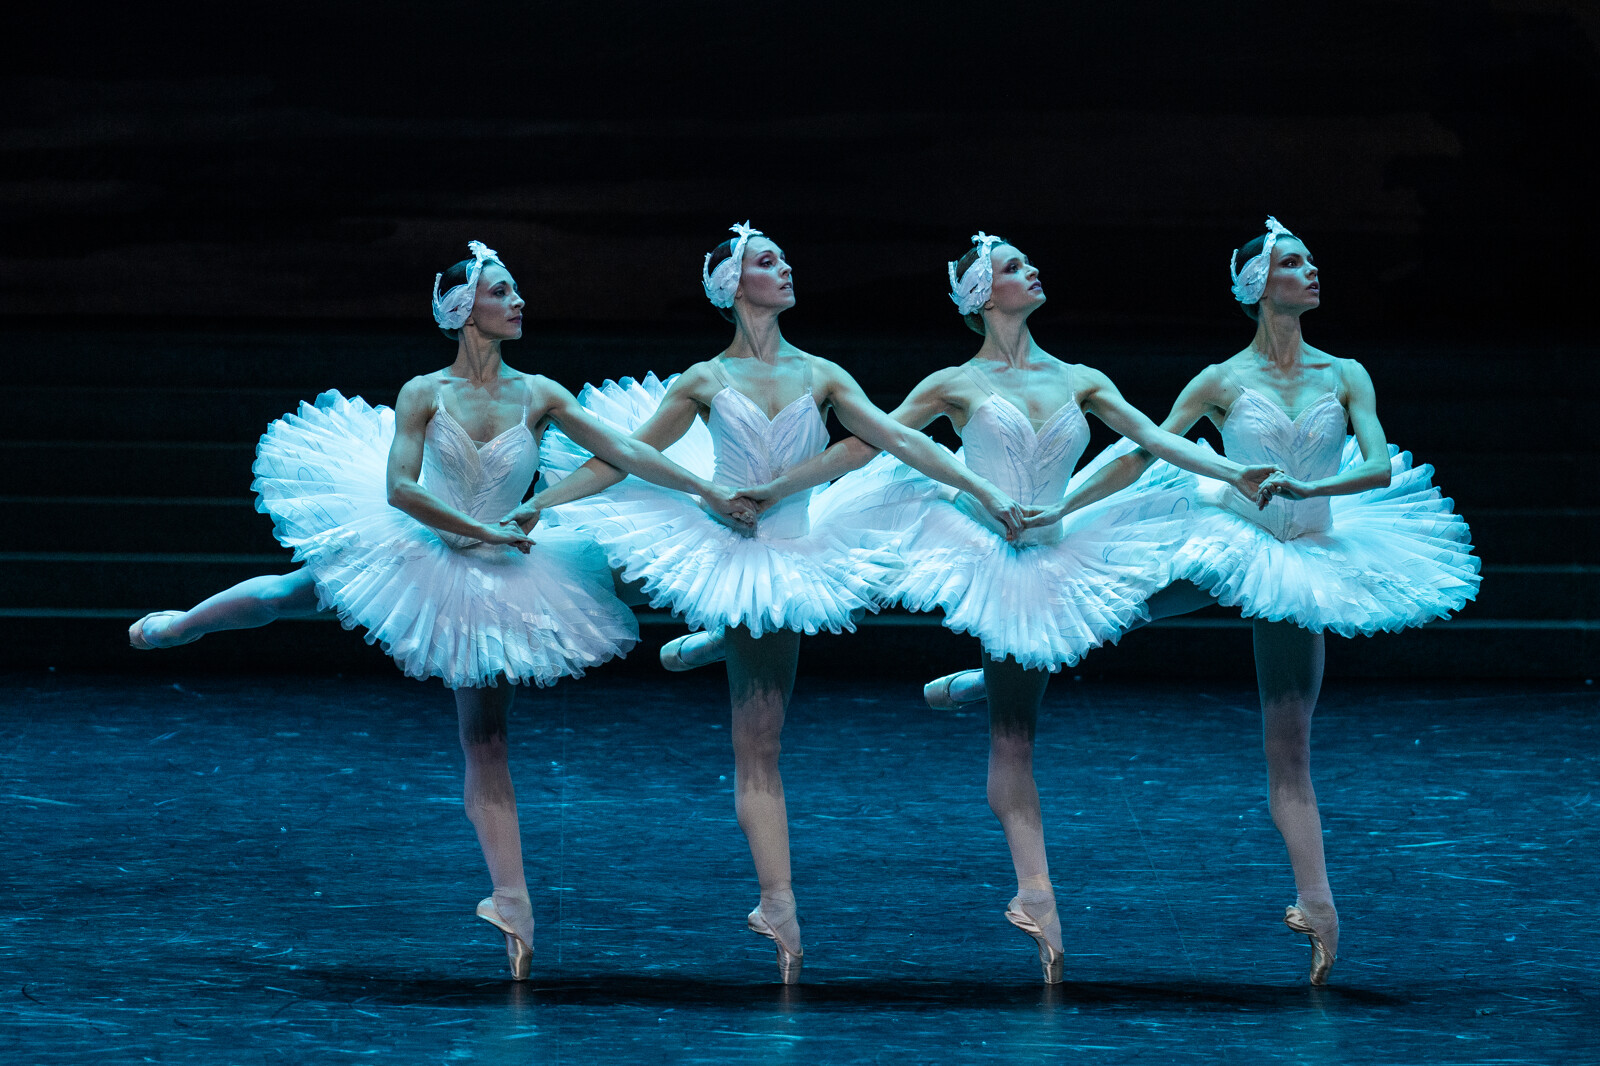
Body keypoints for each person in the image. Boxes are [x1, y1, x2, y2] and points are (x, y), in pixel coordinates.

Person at [131, 241, 749, 980]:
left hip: (505, 561)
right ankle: (181, 624)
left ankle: (511, 900)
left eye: (518, 290)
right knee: (295, 590)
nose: (520, 301)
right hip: (425, 548)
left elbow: (622, 454)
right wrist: (477, 529)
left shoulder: (542, 393)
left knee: (488, 734)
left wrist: (705, 491)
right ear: (463, 310)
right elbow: (399, 488)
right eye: (504, 291)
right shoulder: (425, 392)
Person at [921, 218, 1481, 984]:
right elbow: (1146, 447)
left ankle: (1318, 905)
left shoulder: (1345, 371)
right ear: (1256, 287)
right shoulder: (1219, 380)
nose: (1312, 271)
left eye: (1311, 260)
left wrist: (1311, 487)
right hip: (1228, 535)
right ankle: (1006, 672)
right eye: (1293, 262)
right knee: (1119, 601)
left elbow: (1379, 465)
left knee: (1290, 746)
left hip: (1311, 552)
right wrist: (1064, 511)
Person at [731, 232, 1277, 983]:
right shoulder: (953, 381)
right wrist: (778, 489)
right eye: (1016, 266)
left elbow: (1149, 438)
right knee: (991, 717)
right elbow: (871, 444)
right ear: (982, 294)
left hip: (1059, 542)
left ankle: (981, 693)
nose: (1034, 269)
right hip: (985, 549)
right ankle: (1037, 894)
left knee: (1212, 566)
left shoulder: (1081, 376)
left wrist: (1230, 468)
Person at [512, 222, 1026, 983]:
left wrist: (977, 484)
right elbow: (623, 458)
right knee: (755, 743)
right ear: (731, 286)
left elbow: (888, 440)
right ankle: (778, 901)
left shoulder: (821, 372)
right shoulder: (702, 379)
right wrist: (538, 505)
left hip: (796, 546)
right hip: (725, 545)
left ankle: (721, 635)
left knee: (903, 539)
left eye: (784, 257)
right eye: (766, 261)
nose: (784, 268)